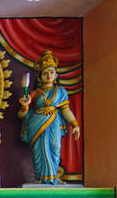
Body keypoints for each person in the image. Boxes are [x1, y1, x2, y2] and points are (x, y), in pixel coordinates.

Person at [17, 49, 80, 184]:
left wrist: (75, 124)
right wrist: (25, 106)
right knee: (39, 150)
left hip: (54, 122)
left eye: (51, 72)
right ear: (39, 77)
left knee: (55, 146)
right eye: (45, 73)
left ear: (56, 75)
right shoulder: (34, 94)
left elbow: (66, 110)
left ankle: (54, 178)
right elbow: (22, 115)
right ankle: (41, 178)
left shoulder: (61, 92)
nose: (49, 75)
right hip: (36, 123)